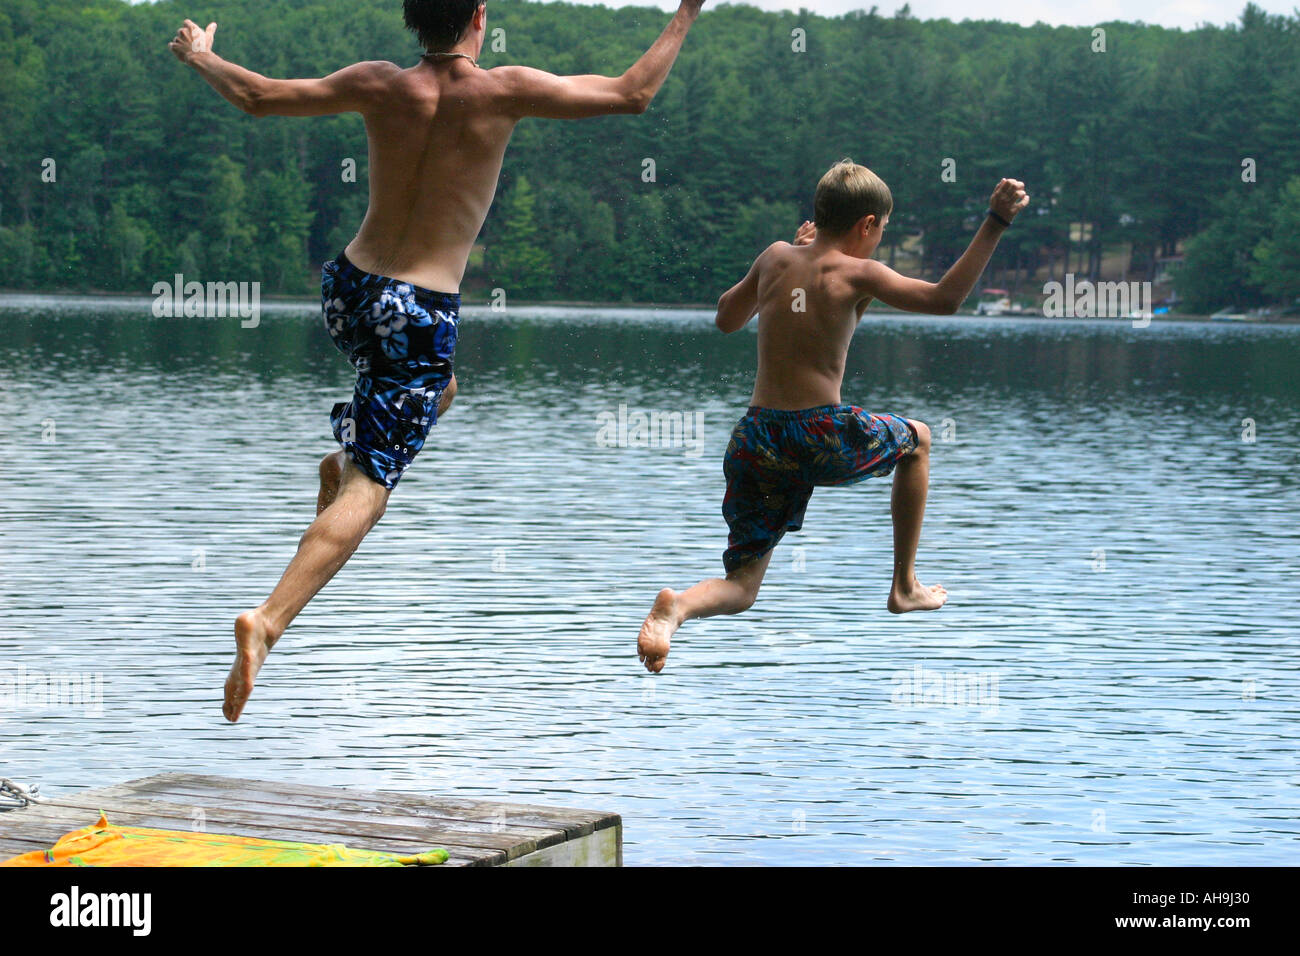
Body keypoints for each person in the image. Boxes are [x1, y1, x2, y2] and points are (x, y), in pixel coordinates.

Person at [168, 0, 707, 721]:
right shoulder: (502, 90)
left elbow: (260, 97)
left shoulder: (380, 82)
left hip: (347, 291)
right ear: (479, 16)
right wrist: (688, 9)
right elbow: (632, 92)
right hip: (418, 307)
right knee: (371, 488)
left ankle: (349, 453)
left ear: (411, 19)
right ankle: (267, 620)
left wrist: (201, 54)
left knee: (433, 390)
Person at [637, 160, 1030, 673]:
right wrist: (995, 221)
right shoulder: (858, 272)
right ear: (867, 224)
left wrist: (790, 257)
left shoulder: (777, 258)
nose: (880, 239)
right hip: (818, 432)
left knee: (742, 587)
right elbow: (946, 299)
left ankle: (677, 608)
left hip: (756, 438)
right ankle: (905, 586)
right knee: (920, 439)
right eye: (882, 229)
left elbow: (727, 319)